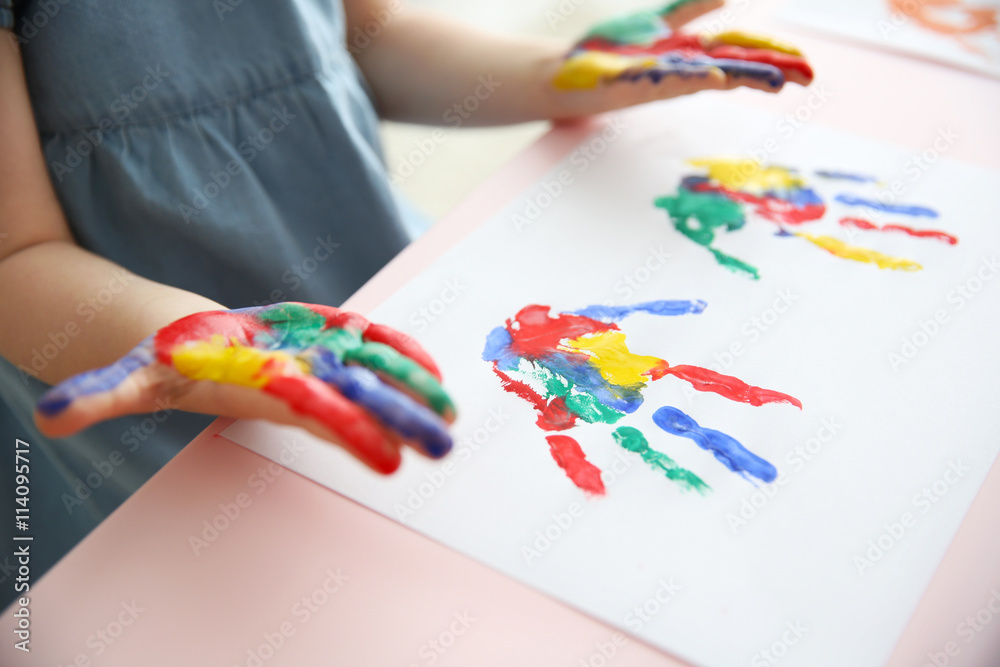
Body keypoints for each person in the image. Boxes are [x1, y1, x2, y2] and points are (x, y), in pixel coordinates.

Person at [0, 0, 811, 608]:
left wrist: (549, 71)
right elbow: (16, 256)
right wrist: (184, 342)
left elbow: (367, 36)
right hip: (148, 399)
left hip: (383, 303)